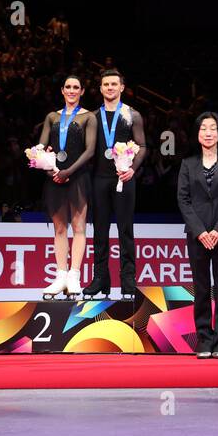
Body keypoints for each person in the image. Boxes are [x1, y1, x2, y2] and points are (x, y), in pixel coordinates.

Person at [177, 113, 218, 358]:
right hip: (197, 235)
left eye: (213, 128)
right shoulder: (188, 164)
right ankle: (204, 340)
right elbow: (183, 200)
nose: (208, 132)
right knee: (202, 288)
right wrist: (201, 231)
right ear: (197, 134)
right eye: (203, 128)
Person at [84, 68, 147, 299]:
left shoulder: (133, 115)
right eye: (106, 84)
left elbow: (142, 146)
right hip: (99, 179)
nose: (110, 87)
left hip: (124, 179)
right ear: (100, 89)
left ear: (122, 87)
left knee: (125, 231)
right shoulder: (92, 116)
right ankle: (100, 279)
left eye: (114, 84)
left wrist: (132, 169)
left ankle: (128, 280)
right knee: (99, 232)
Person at [37, 75, 96, 299]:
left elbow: (90, 150)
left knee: (78, 226)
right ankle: (60, 274)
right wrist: (49, 168)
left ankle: (74, 275)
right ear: (62, 90)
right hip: (54, 178)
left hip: (78, 177)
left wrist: (68, 172)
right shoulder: (52, 117)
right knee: (59, 228)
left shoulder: (88, 117)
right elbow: (40, 147)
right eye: (68, 87)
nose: (72, 91)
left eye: (76, 88)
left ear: (81, 92)